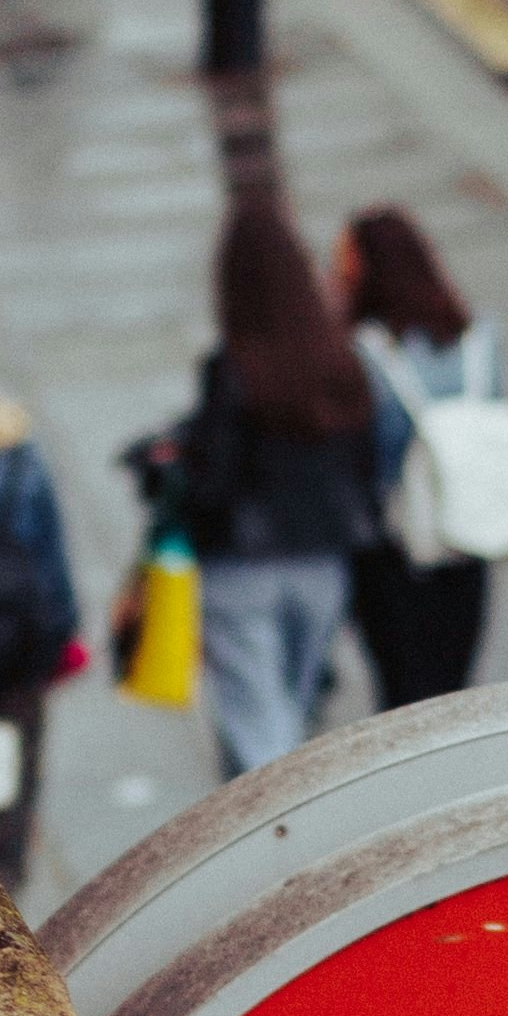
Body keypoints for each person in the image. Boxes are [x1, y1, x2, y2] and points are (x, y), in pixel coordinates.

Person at [138, 190, 378, 780]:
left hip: (243, 568)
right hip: (323, 563)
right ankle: (289, 819)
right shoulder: (339, 359)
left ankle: (282, 833)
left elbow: (215, 482)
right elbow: (366, 462)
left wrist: (172, 468)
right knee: (292, 713)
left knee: (258, 728)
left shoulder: (234, 367)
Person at [333, 206, 497, 712]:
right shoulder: (479, 339)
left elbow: (368, 460)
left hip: (394, 554)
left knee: (404, 701)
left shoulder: (364, 354)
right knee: (454, 693)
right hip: (467, 538)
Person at [0, 342, 78, 893]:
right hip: (15, 656)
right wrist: (60, 637)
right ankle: (6, 883)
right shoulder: (17, 455)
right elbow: (51, 562)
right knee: (6, 791)